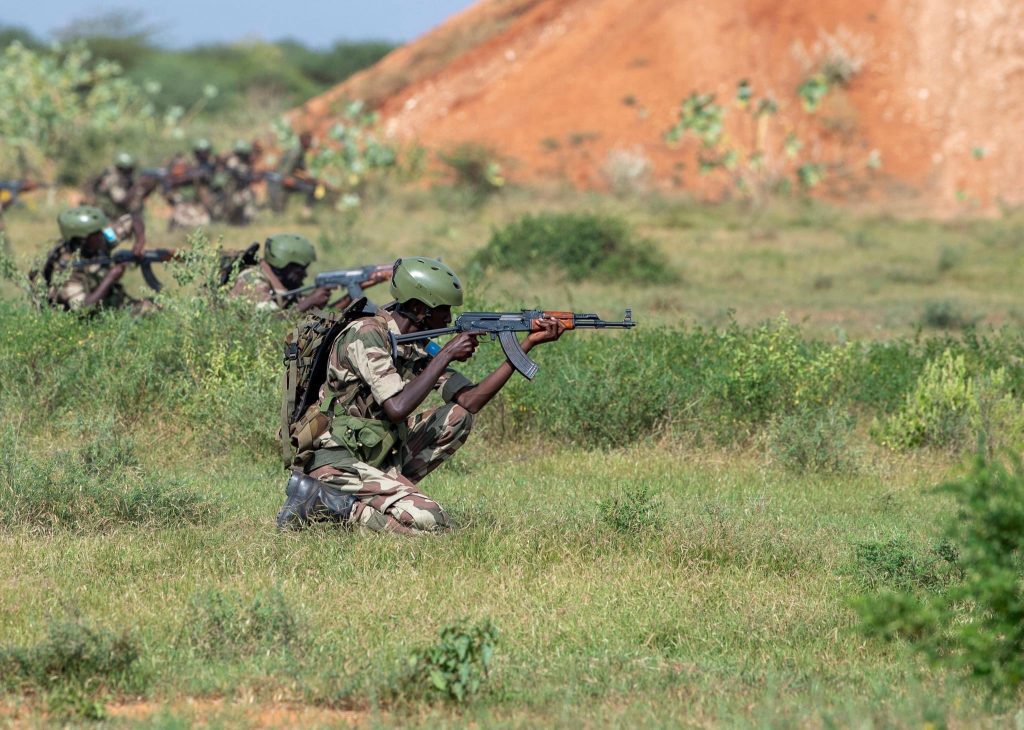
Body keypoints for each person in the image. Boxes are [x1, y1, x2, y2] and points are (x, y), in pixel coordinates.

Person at [276, 257, 566, 534]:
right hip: (336, 460)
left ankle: (382, 497)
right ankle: (326, 502)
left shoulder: (414, 344)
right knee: (432, 521)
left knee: (459, 417)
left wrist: (525, 346)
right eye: (443, 309)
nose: (449, 318)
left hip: (374, 452)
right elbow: (397, 407)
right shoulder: (366, 333)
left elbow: (470, 401)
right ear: (418, 307)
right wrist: (447, 354)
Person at [229, 233, 378, 313]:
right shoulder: (253, 281)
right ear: (287, 265)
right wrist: (310, 301)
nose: (305, 275)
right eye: (301, 270)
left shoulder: (281, 287)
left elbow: (312, 318)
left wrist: (352, 294)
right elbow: (271, 323)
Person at [38, 206, 135, 311]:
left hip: (109, 305)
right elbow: (84, 308)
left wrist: (139, 244)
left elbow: (132, 220)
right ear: (81, 239)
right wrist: (110, 277)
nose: (102, 235)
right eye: (96, 233)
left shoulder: (98, 242)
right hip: (88, 316)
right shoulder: (67, 270)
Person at [86, 152, 147, 244]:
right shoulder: (112, 178)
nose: (130, 173)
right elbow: (121, 200)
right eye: (128, 170)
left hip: (113, 215)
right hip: (104, 217)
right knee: (111, 240)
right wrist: (135, 189)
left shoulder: (124, 179)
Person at [164, 139, 217, 231]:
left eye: (204, 152)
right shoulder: (191, 165)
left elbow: (206, 176)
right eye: (200, 152)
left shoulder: (211, 165)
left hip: (204, 200)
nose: (202, 155)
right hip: (188, 199)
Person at [268, 131, 313, 213]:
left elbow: (300, 169)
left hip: (283, 180)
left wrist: (306, 177)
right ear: (303, 141)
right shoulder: (296, 152)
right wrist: (289, 180)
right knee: (310, 189)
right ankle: (306, 212)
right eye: (309, 140)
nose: (311, 143)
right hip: (280, 181)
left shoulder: (300, 152)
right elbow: (285, 171)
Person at [219, 140, 258, 225]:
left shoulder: (244, 163)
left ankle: (247, 218)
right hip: (231, 193)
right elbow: (237, 176)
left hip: (240, 190)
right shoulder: (233, 163)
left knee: (249, 195)